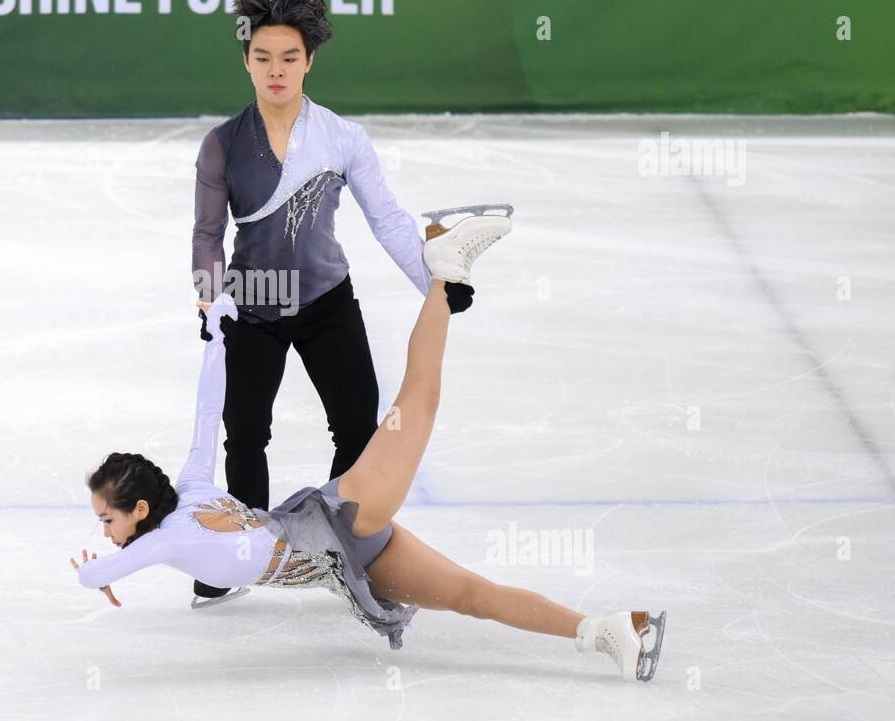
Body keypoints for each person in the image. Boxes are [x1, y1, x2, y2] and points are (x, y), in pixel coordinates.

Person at [74, 212, 667, 681]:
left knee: (420, 398)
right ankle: (609, 630)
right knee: (471, 596)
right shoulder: (183, 508)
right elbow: (204, 417)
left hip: (348, 511)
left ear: (141, 509)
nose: (105, 530)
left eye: (107, 518)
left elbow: (208, 411)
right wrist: (217, 334)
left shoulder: (176, 528)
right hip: (351, 560)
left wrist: (217, 332)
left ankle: (442, 264)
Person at [188, 0, 455, 605]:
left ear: (308, 61)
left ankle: (350, 553)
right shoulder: (222, 144)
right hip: (252, 308)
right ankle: (241, 555)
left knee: (358, 427)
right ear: (246, 60)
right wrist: (209, 295)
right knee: (246, 435)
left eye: (289, 58)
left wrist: (435, 287)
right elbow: (206, 232)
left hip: (327, 305)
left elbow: (388, 220)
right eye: (262, 58)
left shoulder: (342, 138)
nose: (275, 70)